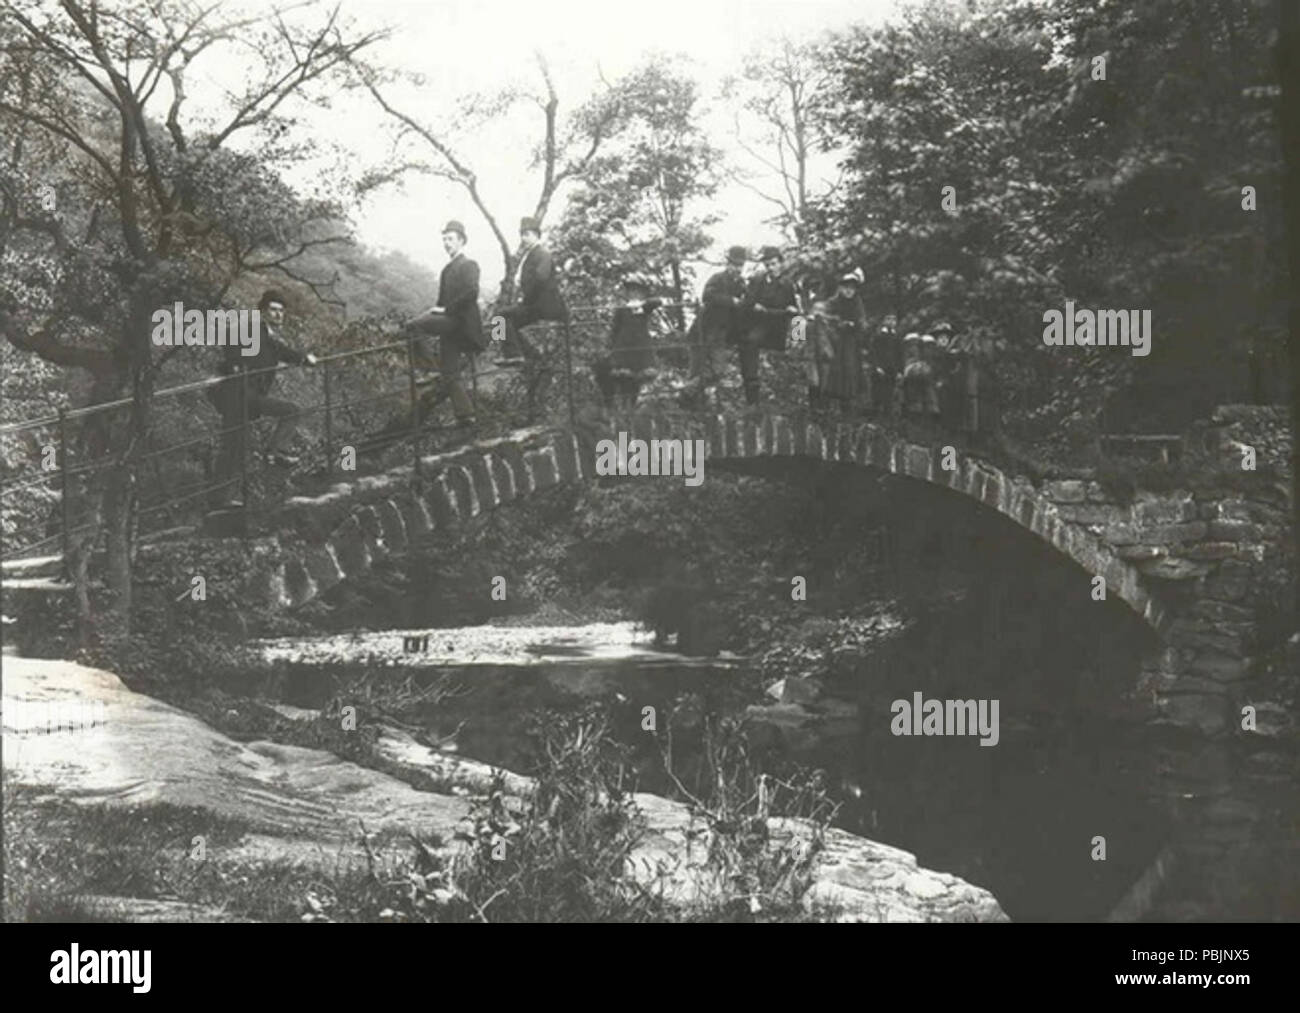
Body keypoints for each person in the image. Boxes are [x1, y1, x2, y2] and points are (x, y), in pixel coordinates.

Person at [209, 289, 317, 506]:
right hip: (237, 394)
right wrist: (236, 366)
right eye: (273, 310)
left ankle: (274, 452)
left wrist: (306, 359)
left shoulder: (269, 338)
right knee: (233, 446)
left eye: (281, 311)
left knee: (288, 412)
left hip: (249, 397)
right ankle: (222, 499)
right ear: (262, 311)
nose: (278, 315)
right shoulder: (252, 329)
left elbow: (287, 353)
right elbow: (229, 339)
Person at [402, 219, 480, 431]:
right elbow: (440, 302)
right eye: (444, 239)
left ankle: (427, 370)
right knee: (450, 373)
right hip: (450, 324)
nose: (446, 243)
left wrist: (445, 311)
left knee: (412, 327)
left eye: (451, 239)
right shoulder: (446, 270)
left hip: (460, 322)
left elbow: (472, 293)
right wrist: (431, 313)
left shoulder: (469, 265)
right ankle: (466, 415)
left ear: (461, 241)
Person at [496, 216, 567, 364]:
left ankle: (513, 354)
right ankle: (527, 355)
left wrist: (525, 299)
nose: (524, 238)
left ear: (536, 235)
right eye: (522, 234)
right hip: (536, 304)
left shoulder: (542, 253)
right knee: (503, 319)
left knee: (501, 315)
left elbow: (541, 278)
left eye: (527, 234)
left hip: (545, 305)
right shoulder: (531, 254)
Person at [737, 245, 799, 407]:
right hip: (760, 324)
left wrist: (798, 337)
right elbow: (747, 303)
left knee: (794, 351)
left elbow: (796, 312)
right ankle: (752, 395)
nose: (771, 268)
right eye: (768, 265)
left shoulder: (787, 284)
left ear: (781, 264)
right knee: (749, 343)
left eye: (774, 264)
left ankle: (789, 398)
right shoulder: (758, 281)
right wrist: (753, 306)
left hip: (779, 326)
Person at [687, 245, 748, 404]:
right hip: (704, 330)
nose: (737, 269)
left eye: (740, 265)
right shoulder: (717, 278)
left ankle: (697, 398)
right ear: (728, 264)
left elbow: (745, 305)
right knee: (696, 368)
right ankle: (692, 405)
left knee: (718, 370)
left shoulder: (741, 284)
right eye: (734, 264)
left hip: (722, 334)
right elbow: (707, 295)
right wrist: (731, 301)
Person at [595, 277, 662, 410]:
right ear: (627, 293)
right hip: (623, 357)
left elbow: (657, 302)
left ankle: (634, 428)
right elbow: (614, 330)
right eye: (631, 290)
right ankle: (623, 430)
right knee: (623, 397)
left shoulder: (644, 309)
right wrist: (610, 349)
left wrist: (642, 304)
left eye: (638, 291)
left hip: (640, 357)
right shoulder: (622, 309)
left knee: (636, 397)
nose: (634, 294)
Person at [826, 268, 868, 414]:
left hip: (851, 341)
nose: (849, 291)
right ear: (841, 288)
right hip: (834, 340)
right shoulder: (833, 302)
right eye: (846, 288)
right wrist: (839, 324)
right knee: (833, 370)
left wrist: (857, 325)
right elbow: (826, 319)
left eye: (852, 288)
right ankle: (830, 406)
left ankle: (848, 404)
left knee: (850, 369)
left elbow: (862, 320)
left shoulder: (857, 302)